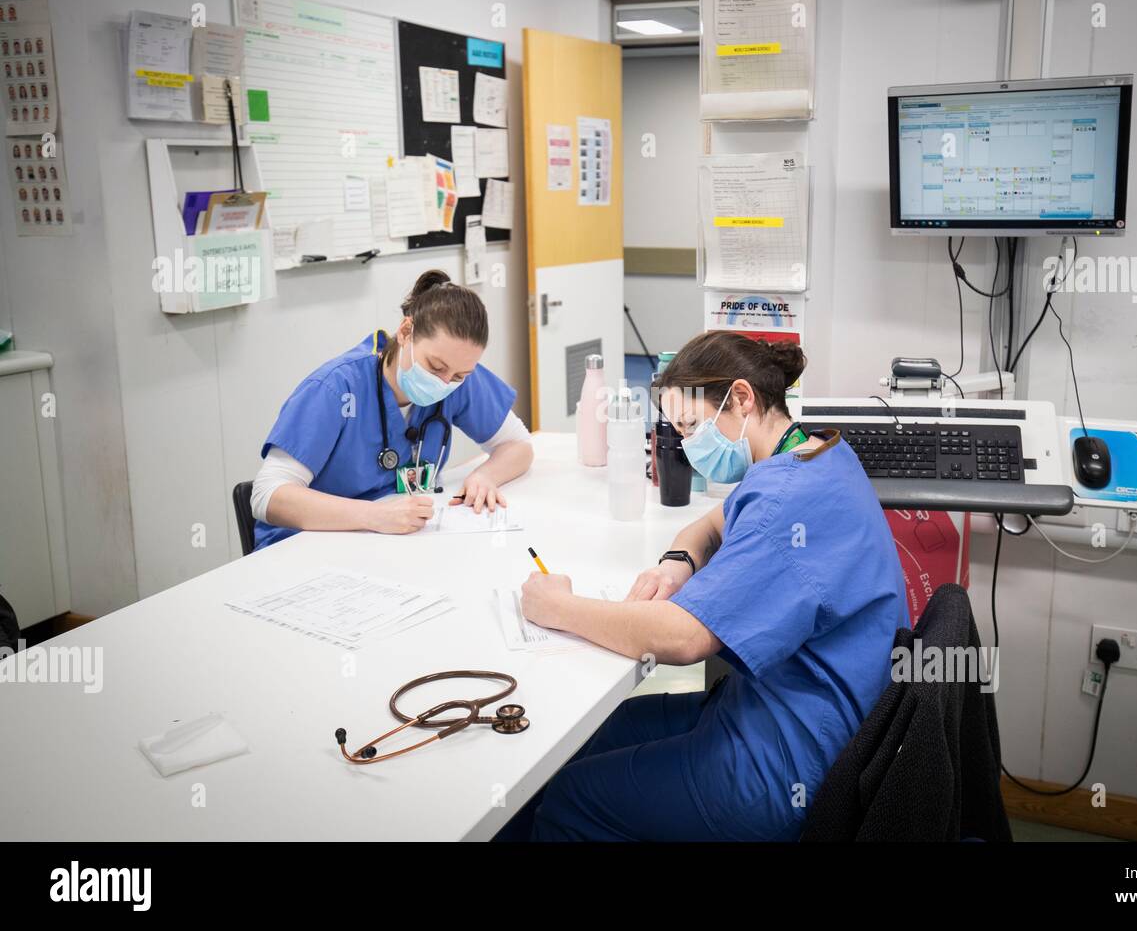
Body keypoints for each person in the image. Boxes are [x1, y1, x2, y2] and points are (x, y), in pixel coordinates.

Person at [506, 331, 907, 841]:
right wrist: (678, 561)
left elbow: (684, 639)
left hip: (790, 762)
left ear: (741, 397)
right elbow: (714, 524)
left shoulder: (786, 501)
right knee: (589, 739)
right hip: (775, 708)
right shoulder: (814, 453)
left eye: (693, 425)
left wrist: (557, 606)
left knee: (572, 797)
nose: (690, 445)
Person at [251, 269, 532, 550]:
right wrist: (373, 516)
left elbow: (518, 445)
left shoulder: (456, 375)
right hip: (307, 546)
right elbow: (268, 495)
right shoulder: (336, 387)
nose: (444, 383)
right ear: (406, 332)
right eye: (435, 367)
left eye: (459, 376)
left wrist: (484, 476)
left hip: (390, 544)